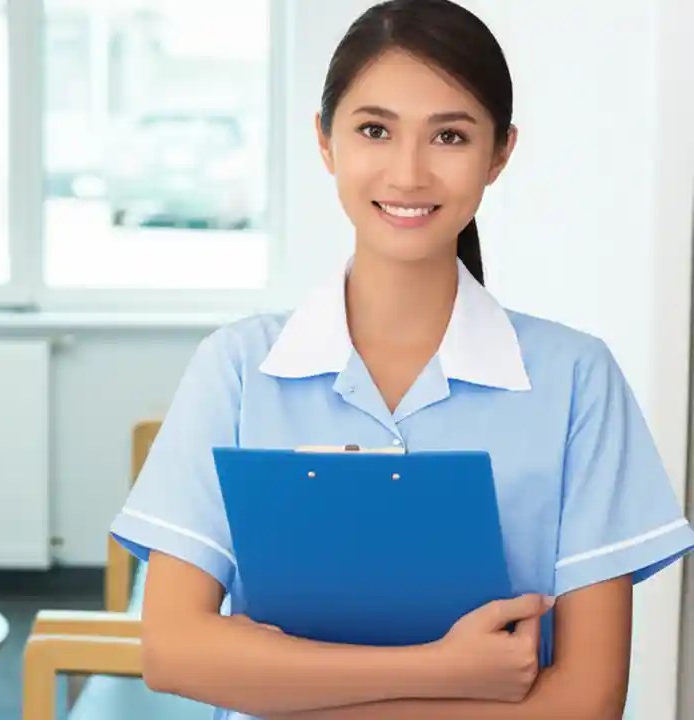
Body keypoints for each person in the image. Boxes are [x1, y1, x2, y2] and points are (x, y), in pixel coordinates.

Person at [107, 1, 694, 718]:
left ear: (500, 154)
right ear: (325, 143)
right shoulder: (236, 368)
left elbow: (587, 701)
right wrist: (445, 670)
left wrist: (285, 685)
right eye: (375, 130)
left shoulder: (577, 380)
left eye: (449, 135)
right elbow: (173, 652)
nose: (409, 172)